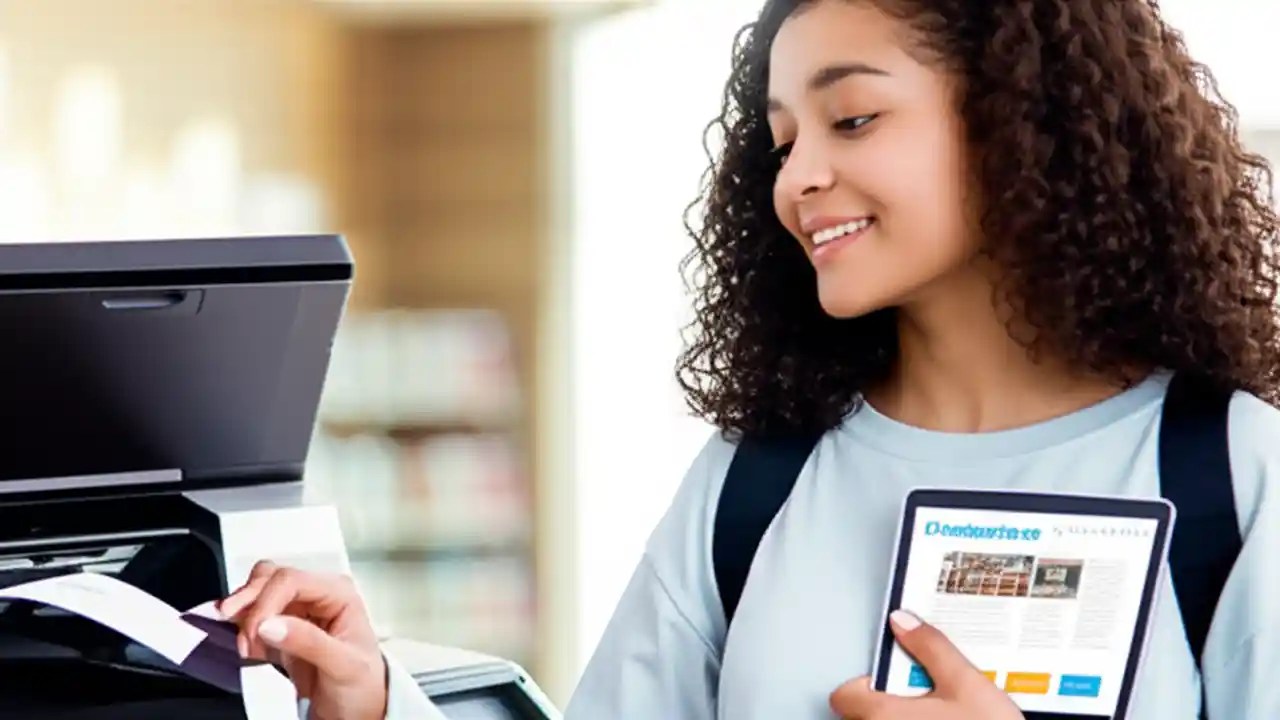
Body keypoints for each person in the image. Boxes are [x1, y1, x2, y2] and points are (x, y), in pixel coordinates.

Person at [217, 0, 1280, 717]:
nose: (798, 178)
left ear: (1022, 122)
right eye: (780, 142)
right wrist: (379, 698)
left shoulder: (1232, 471)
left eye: (852, 118)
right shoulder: (757, 478)